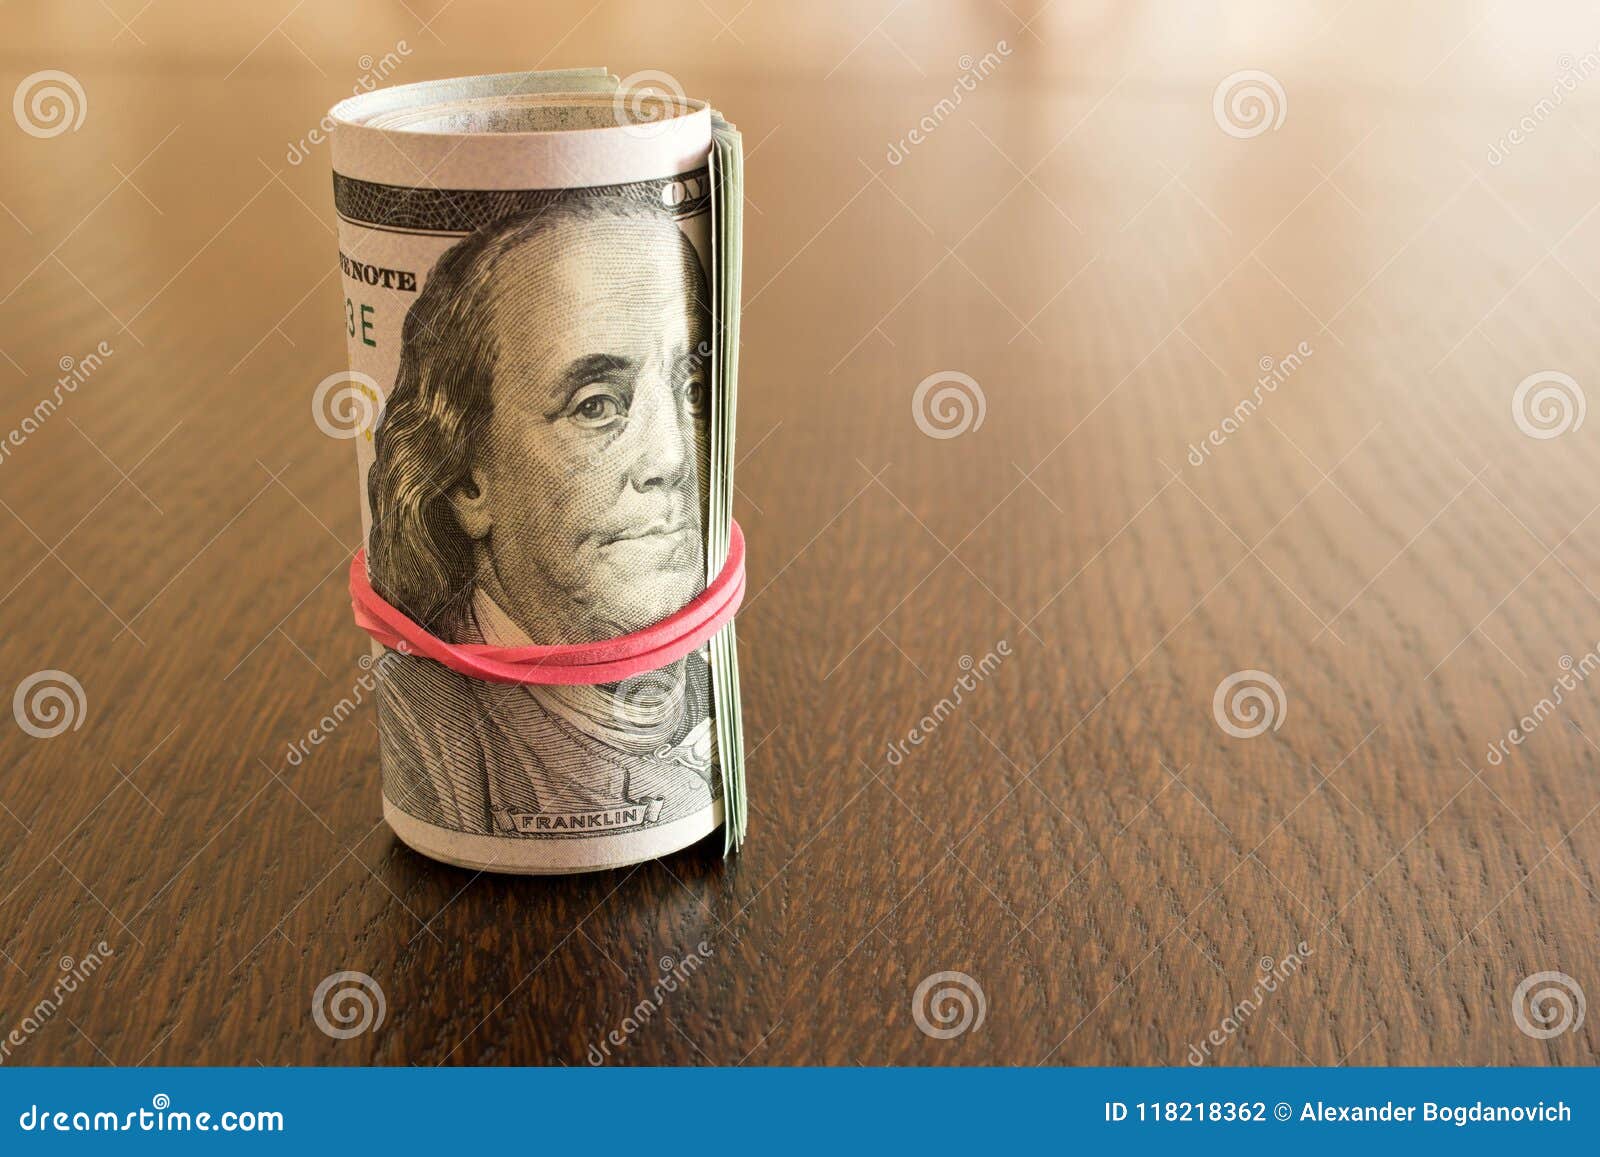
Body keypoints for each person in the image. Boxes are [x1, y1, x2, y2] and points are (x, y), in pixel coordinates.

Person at [366, 197, 718, 839]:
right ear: (470, 479)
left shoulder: (708, 685)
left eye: (691, 389)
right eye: (595, 406)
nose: (673, 458)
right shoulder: (428, 740)